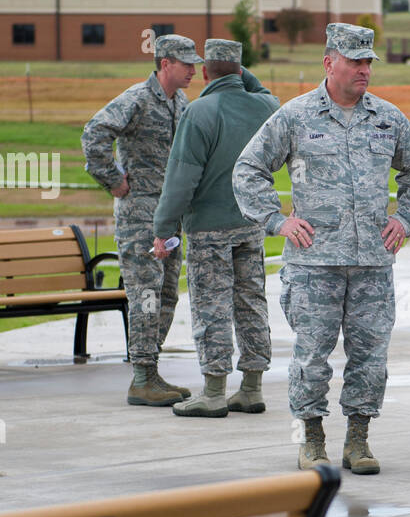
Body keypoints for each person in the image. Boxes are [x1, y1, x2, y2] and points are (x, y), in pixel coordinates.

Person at [233, 23, 410, 473]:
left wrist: (404, 219)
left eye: (367, 62)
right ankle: (312, 439)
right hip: (314, 264)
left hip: (372, 265)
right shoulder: (295, 116)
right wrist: (276, 220)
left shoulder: (387, 118)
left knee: (371, 357)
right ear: (329, 63)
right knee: (312, 355)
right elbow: (249, 169)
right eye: (355, 61)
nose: (364, 70)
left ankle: (358, 441)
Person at [151, 39, 280, 417]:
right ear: (240, 70)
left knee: (212, 307)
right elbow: (260, 89)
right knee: (251, 301)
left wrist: (163, 228)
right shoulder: (266, 108)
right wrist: (238, 73)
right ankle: (252, 388)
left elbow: (181, 179)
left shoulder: (200, 111)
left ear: (205, 72)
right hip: (250, 223)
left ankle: (213, 392)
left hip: (208, 227)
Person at [82, 34, 200, 406]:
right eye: (186, 64)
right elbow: (94, 133)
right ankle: (142, 377)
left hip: (169, 216)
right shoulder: (136, 98)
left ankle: (151, 370)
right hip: (140, 216)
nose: (193, 70)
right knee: (146, 292)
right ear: (165, 64)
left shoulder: (180, 101)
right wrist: (114, 180)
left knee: (166, 294)